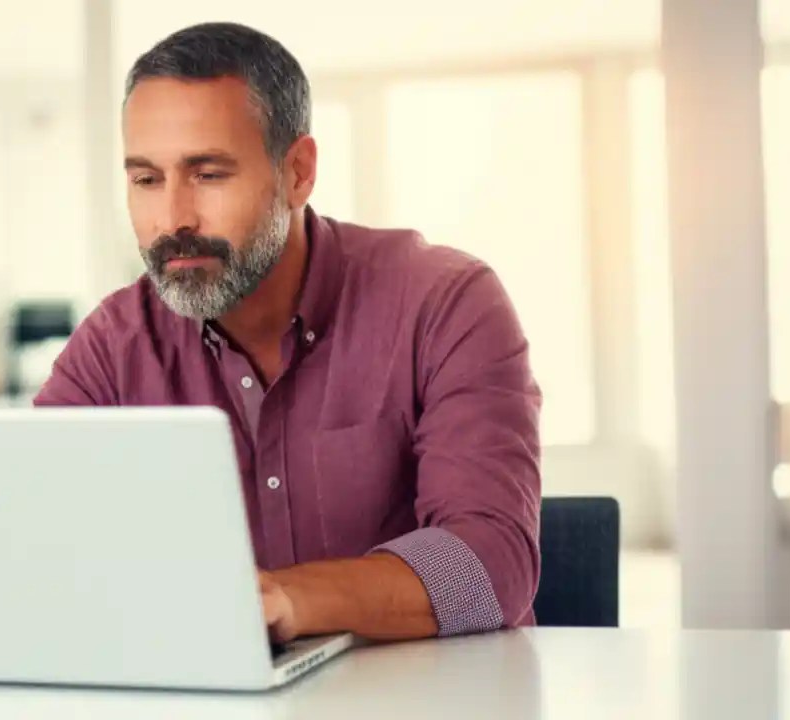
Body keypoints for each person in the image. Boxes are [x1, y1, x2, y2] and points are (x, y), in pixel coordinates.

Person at [35, 22, 541, 642]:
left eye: (209, 174)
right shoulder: (112, 349)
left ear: (298, 171)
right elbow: (31, 540)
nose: (173, 219)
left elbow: (489, 565)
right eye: (145, 180)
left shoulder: (445, 304)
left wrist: (284, 599)